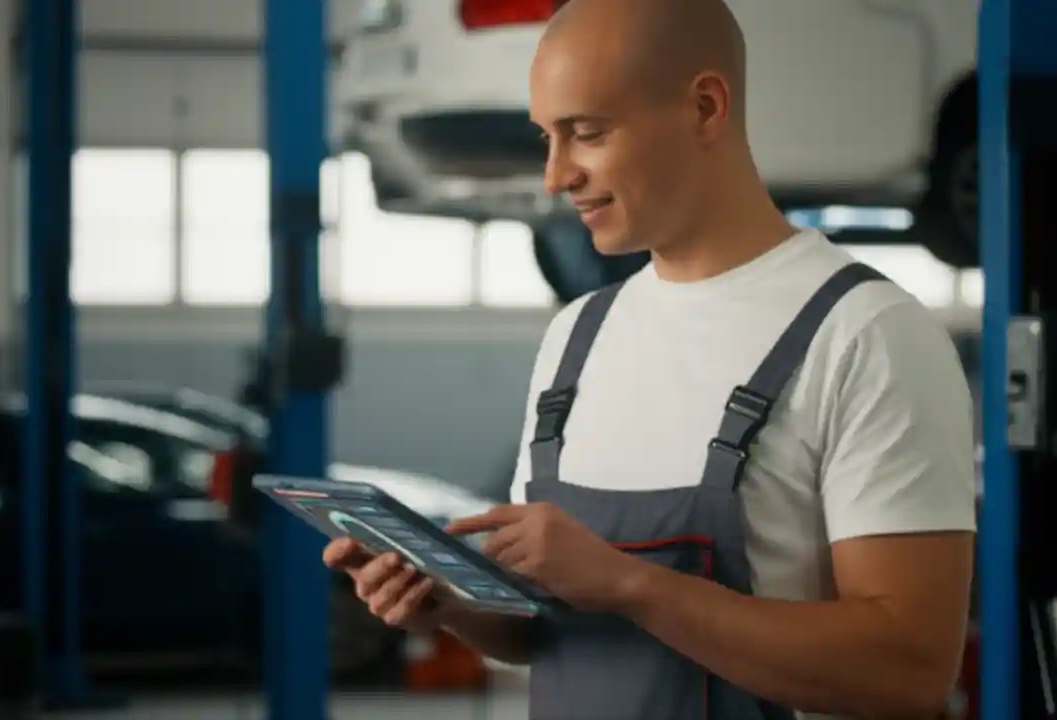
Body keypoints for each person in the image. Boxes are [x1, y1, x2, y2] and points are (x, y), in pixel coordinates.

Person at [324, 0, 976, 717]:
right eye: (546, 138)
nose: (555, 175)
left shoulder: (866, 335)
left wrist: (633, 584)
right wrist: (450, 605)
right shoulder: (577, 337)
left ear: (704, 106)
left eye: (588, 134)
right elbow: (551, 629)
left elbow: (908, 668)